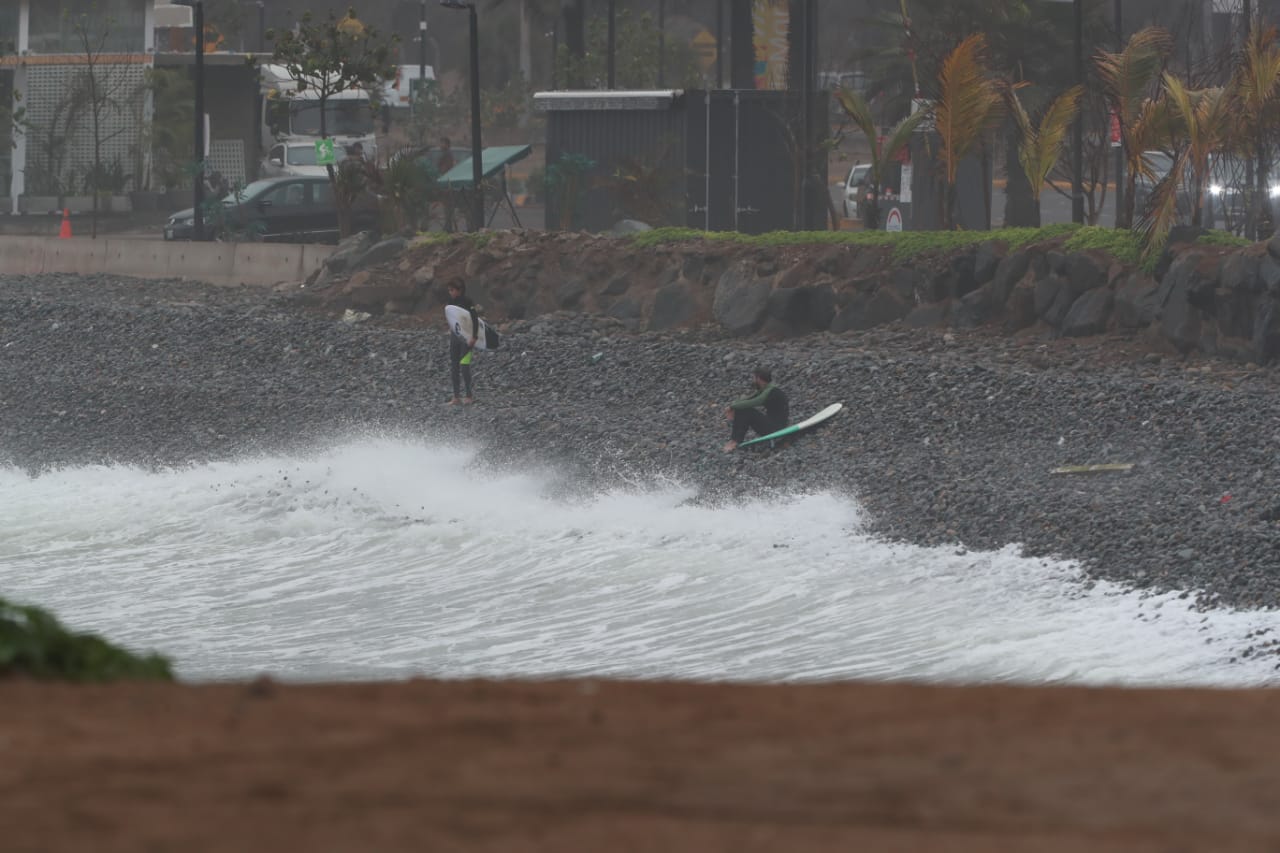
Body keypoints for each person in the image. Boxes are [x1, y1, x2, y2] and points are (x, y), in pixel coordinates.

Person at [723, 366, 789, 452]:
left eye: (754, 378)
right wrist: (732, 406)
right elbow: (748, 398)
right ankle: (734, 440)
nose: (753, 381)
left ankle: (735, 441)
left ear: (759, 379)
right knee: (741, 408)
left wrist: (732, 407)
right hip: (771, 426)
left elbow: (754, 402)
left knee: (745, 410)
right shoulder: (766, 389)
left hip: (776, 429)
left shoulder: (773, 391)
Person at [444, 278, 479, 405]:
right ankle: (456, 397)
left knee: (464, 366)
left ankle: (469, 396)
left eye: (452, 290)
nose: (450, 292)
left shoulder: (467, 301)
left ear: (460, 290)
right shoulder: (450, 302)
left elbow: (475, 319)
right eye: (449, 290)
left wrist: (474, 337)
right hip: (455, 337)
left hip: (467, 337)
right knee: (454, 366)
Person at [438, 137, 457, 233]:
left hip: (447, 183)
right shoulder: (445, 155)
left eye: (442, 143)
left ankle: (448, 227)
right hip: (445, 183)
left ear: (447, 144)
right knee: (447, 207)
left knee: (448, 207)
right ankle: (448, 226)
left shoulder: (447, 155)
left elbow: (446, 169)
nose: (440, 145)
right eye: (440, 143)